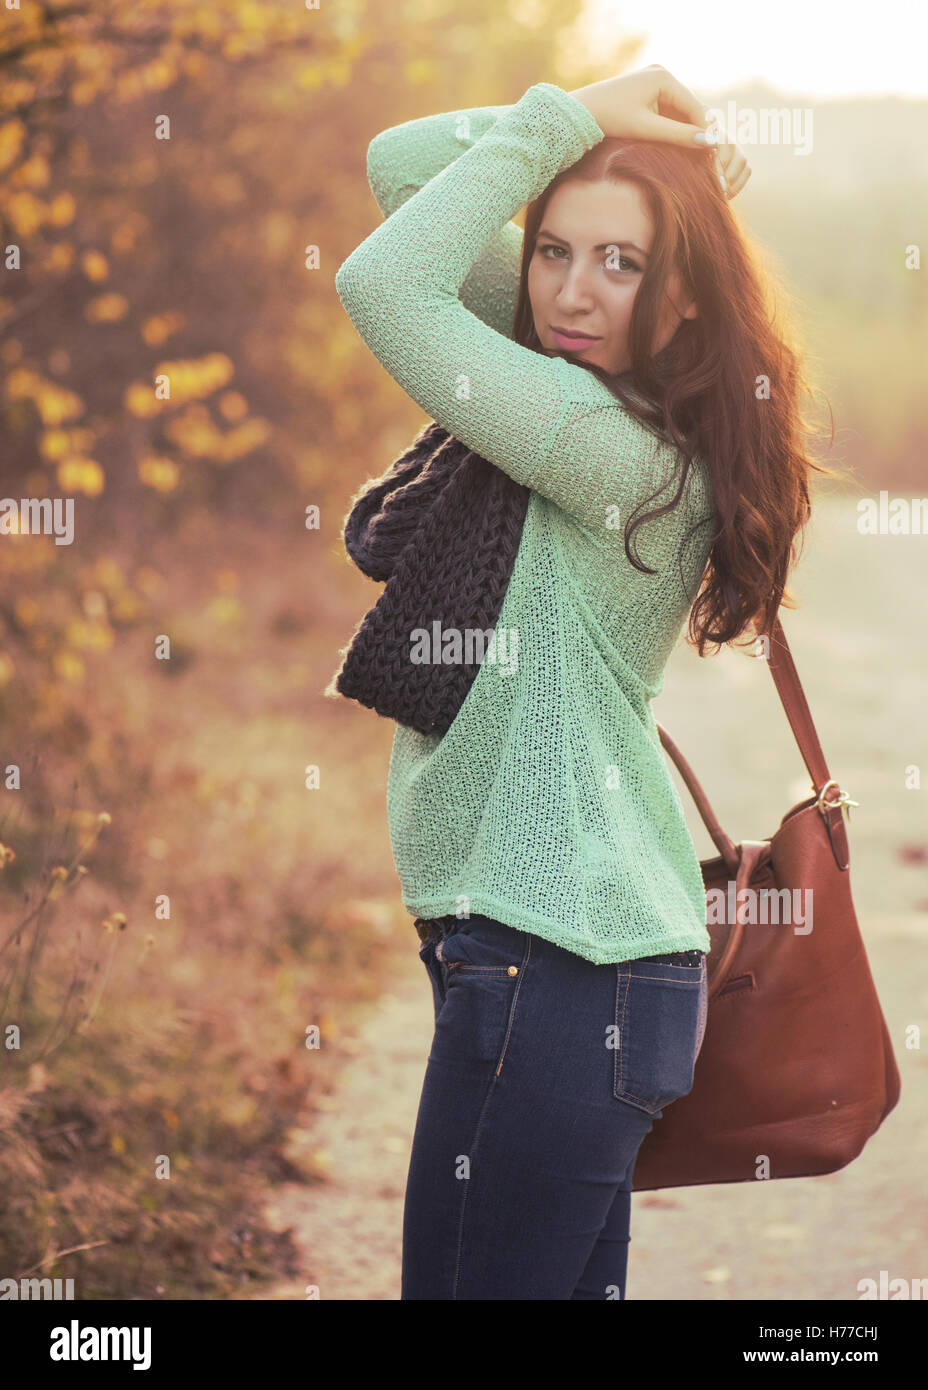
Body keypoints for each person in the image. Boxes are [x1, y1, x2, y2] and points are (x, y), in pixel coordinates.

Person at [334, 66, 830, 1299]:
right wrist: (589, 122)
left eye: (619, 263)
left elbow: (382, 279)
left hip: (554, 971)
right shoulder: (608, 400)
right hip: (589, 974)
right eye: (552, 249)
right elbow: (404, 165)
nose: (567, 289)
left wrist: (569, 117)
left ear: (681, 306)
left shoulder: (594, 440)